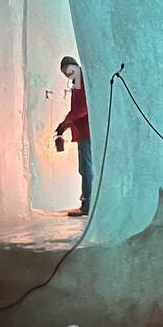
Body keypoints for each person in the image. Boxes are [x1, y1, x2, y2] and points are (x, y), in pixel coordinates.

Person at [55, 57, 91, 217]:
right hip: (83, 132)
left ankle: (87, 205)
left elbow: (83, 108)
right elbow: (79, 110)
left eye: (68, 71)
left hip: (86, 133)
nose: (67, 75)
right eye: (65, 74)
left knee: (87, 168)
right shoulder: (78, 81)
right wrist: (64, 126)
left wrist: (65, 123)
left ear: (74, 66)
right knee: (85, 168)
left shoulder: (81, 80)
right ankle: (87, 203)